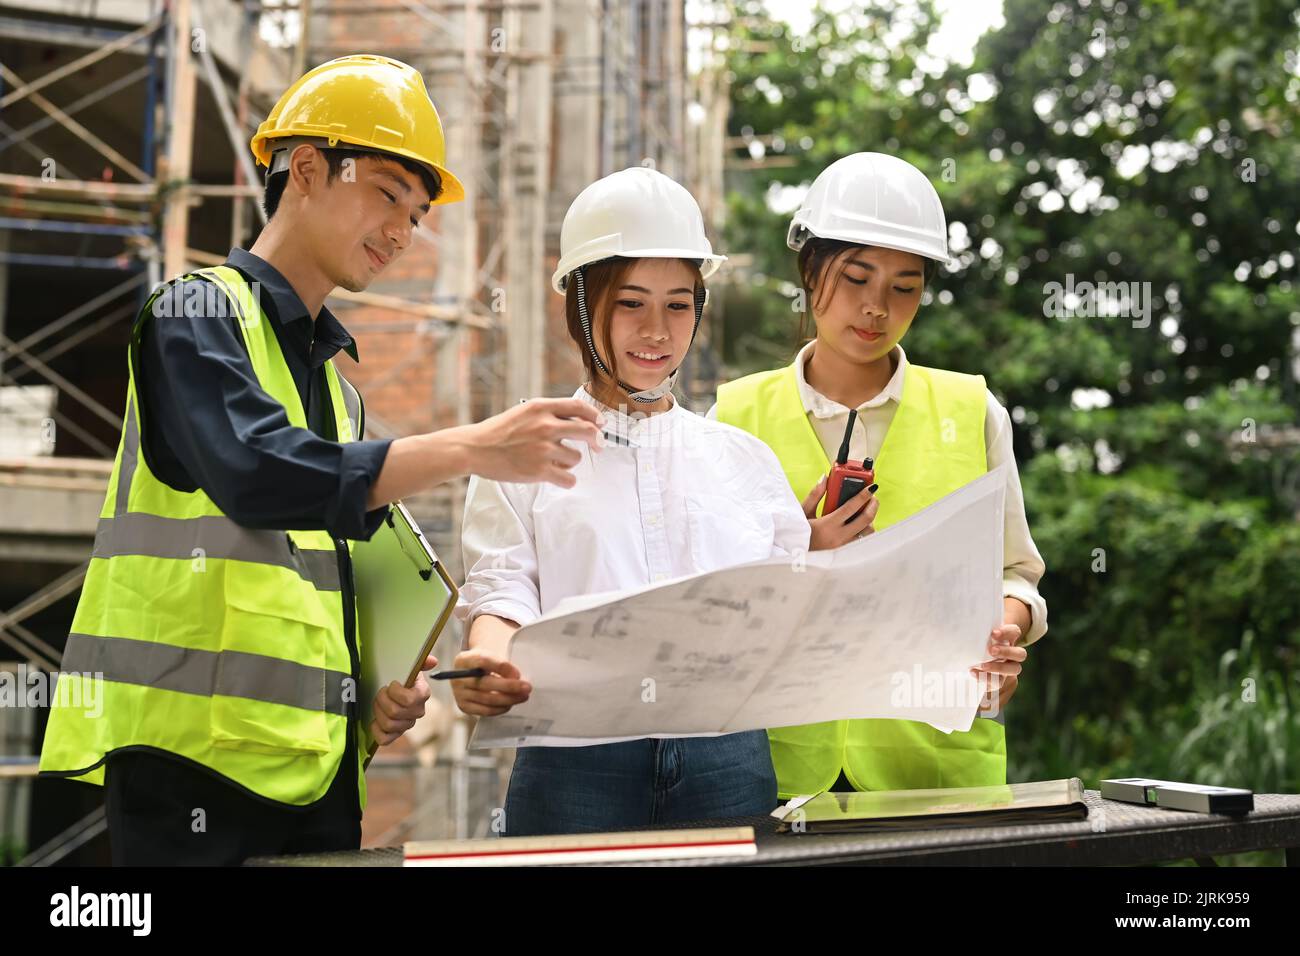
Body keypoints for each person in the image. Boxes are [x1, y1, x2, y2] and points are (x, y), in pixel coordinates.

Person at [38, 54, 603, 865]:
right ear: (306, 169)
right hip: (190, 767)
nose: (403, 233)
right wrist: (472, 447)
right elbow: (258, 471)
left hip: (319, 771)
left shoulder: (339, 394)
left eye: (415, 213)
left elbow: (320, 587)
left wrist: (375, 691)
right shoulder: (194, 312)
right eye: (386, 195)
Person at [448, 166, 812, 835]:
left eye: (678, 304)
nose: (657, 330)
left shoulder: (744, 463)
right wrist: (489, 657)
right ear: (582, 307)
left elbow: (785, 605)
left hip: (726, 756)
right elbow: (502, 591)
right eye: (631, 302)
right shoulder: (523, 449)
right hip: (574, 759)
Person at [710, 152, 1047, 798]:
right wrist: (794, 551)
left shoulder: (973, 412)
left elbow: (1018, 573)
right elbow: (704, 594)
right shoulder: (732, 417)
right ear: (810, 271)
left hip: (937, 772)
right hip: (774, 772)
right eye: (857, 278)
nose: (876, 309)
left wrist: (1006, 631)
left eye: (905, 286)